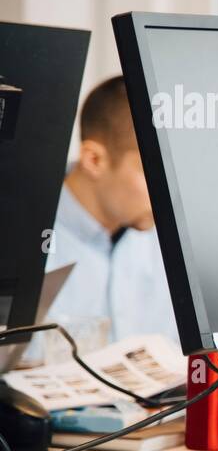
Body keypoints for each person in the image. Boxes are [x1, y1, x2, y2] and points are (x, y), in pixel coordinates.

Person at [44, 76, 177, 344]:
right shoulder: (22, 239)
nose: (170, 193)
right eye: (154, 171)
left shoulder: (171, 241)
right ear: (94, 160)